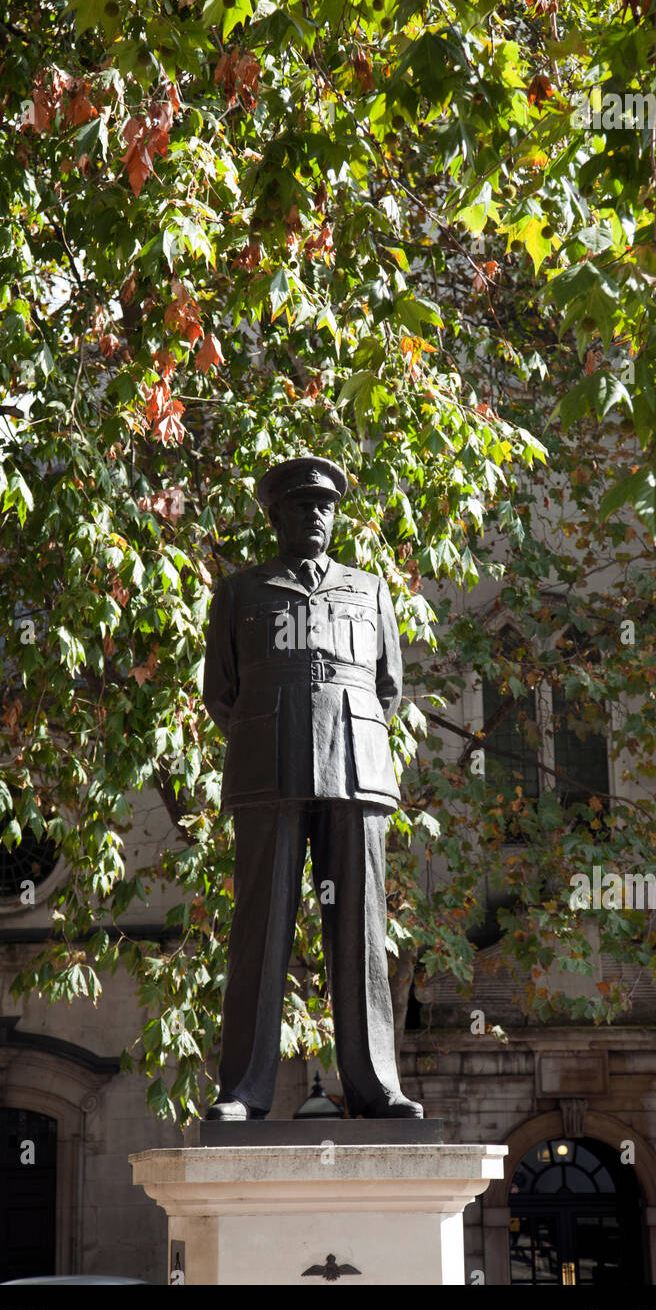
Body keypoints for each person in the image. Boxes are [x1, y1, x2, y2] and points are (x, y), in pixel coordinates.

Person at [201, 455, 423, 1120]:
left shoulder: (370, 590)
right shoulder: (241, 592)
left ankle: (376, 1086)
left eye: (324, 507)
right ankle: (242, 1092)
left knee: (361, 932)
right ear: (277, 518)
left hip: (355, 768)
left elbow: (388, 688)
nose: (316, 516)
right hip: (268, 769)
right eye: (302, 508)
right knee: (258, 933)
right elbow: (222, 694)